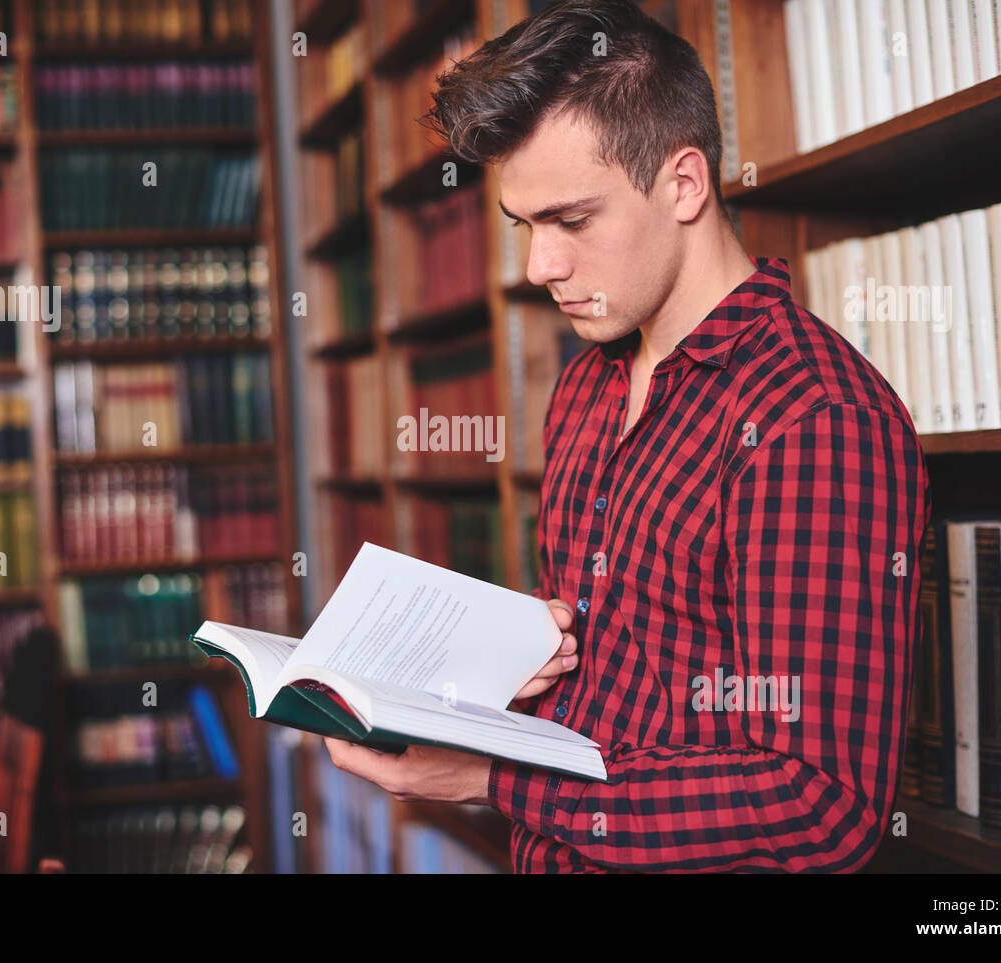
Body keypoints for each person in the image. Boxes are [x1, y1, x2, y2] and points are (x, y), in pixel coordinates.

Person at [324, 0, 930, 872]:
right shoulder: (585, 385)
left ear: (684, 184)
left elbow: (817, 803)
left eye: (571, 221)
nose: (540, 267)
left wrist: (495, 775)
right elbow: (625, 691)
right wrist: (500, 670)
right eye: (523, 225)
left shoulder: (815, 418)